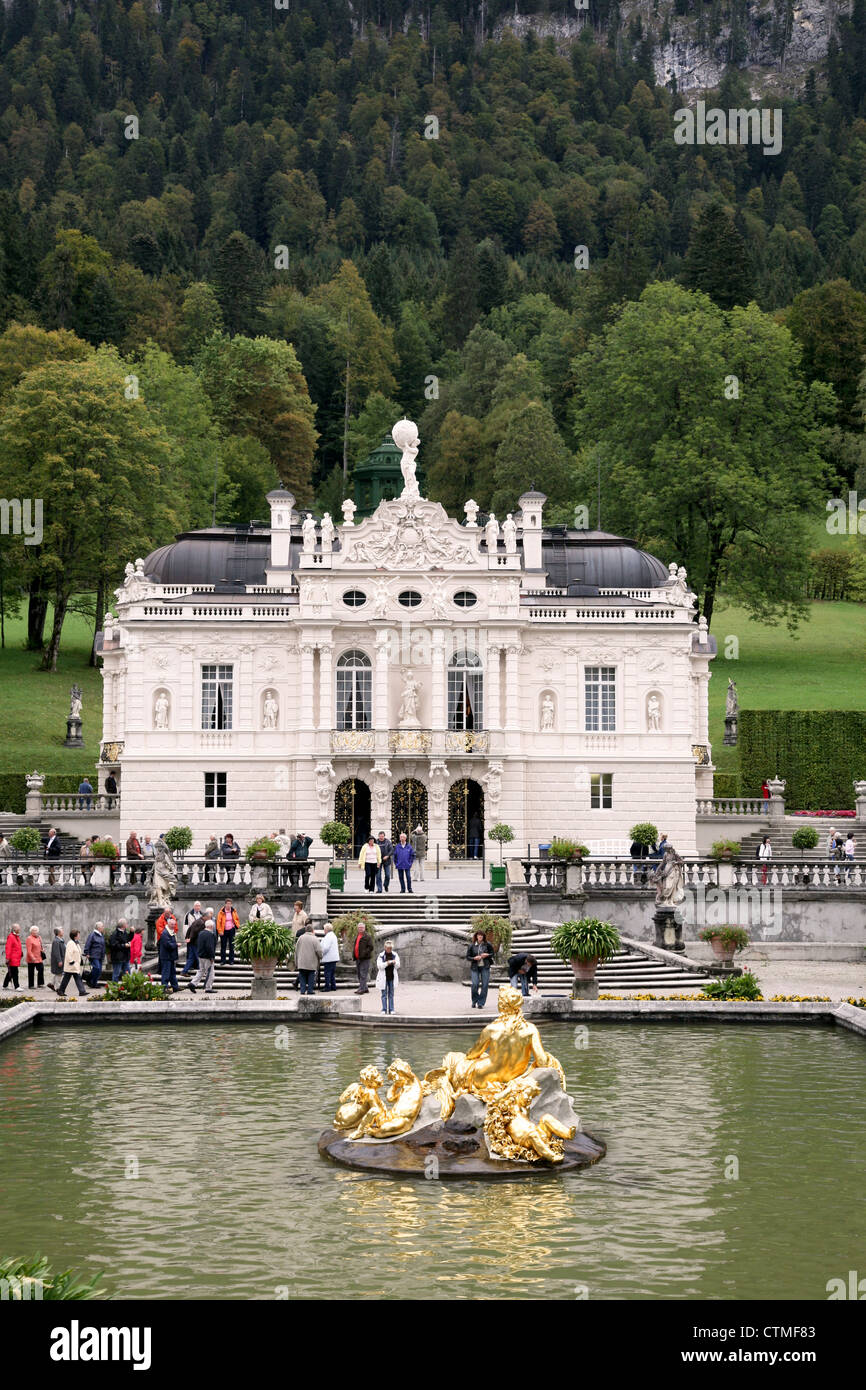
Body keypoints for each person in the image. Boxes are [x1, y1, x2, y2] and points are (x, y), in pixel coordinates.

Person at [189, 912, 216, 993]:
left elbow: (198, 943)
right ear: (211, 926)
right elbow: (209, 947)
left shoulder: (201, 933)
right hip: (207, 957)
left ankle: (193, 983)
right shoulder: (210, 934)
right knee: (210, 972)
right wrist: (211, 957)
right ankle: (208, 988)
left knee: (201, 971)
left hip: (200, 955)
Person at [466, 931, 494, 1009]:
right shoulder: (471, 945)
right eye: (479, 935)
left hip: (485, 967)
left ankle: (481, 1003)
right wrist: (474, 958)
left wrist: (487, 955)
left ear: (483, 936)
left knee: (485, 985)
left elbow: (492, 953)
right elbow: (467, 957)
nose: (480, 936)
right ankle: (474, 1001)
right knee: (475, 984)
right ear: (476, 936)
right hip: (475, 967)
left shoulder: (487, 944)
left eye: (481, 935)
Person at [57, 929, 88, 997]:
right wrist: (71, 962)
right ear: (75, 936)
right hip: (71, 965)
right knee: (70, 978)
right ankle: (81, 991)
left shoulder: (76, 942)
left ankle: (81, 991)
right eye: (78, 934)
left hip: (75, 965)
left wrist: (83, 955)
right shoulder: (71, 943)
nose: (79, 935)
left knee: (73, 978)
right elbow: (68, 954)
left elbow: (77, 952)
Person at [295, 923, 322, 995]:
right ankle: (310, 990)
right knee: (311, 975)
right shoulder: (315, 938)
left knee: (302, 976)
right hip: (311, 962)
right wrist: (320, 956)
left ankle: (302, 990)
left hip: (301, 962)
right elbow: (319, 951)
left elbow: (296, 950)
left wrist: (296, 962)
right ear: (312, 930)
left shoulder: (300, 938)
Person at [376, 939, 400, 1015]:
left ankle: (391, 1009)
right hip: (383, 977)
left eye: (390, 948)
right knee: (384, 994)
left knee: (391, 994)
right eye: (388, 948)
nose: (389, 949)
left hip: (392, 977)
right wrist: (387, 963)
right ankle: (384, 1009)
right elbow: (379, 966)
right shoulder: (381, 955)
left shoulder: (395, 955)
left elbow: (398, 966)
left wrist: (395, 962)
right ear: (385, 948)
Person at [158, 918, 180, 994]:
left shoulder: (171, 932)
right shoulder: (165, 933)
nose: (173, 926)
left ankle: (175, 987)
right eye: (172, 924)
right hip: (166, 956)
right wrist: (176, 945)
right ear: (168, 924)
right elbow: (167, 945)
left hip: (170, 956)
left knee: (172, 973)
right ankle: (164, 988)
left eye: (174, 924)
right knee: (166, 973)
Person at [182, 902, 204, 976]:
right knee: (195, 955)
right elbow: (186, 926)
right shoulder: (189, 914)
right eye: (196, 906)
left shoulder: (202, 915)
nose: (198, 907)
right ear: (194, 906)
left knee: (192, 955)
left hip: (198, 938)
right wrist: (187, 937)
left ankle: (185, 971)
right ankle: (199, 969)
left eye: (199, 906)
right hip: (191, 938)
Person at [83, 921, 107, 988]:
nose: (103, 927)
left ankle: (94, 983)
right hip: (94, 955)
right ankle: (90, 980)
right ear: (99, 927)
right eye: (102, 926)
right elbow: (88, 944)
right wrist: (86, 953)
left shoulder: (101, 935)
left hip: (100, 955)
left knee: (99, 970)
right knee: (97, 968)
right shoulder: (92, 935)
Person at [353, 920, 374, 994]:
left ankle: (361, 989)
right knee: (359, 974)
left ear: (364, 928)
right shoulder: (357, 935)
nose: (360, 929)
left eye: (362, 927)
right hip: (358, 958)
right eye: (359, 927)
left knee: (363, 974)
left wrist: (364, 953)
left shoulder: (367, 936)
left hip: (365, 959)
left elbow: (371, 947)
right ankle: (365, 988)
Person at [217, 898, 240, 965]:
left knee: (231, 946)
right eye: (227, 904)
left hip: (231, 930)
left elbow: (237, 919)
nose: (228, 905)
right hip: (223, 930)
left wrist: (237, 926)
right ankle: (223, 961)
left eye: (230, 904)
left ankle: (231, 961)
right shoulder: (221, 912)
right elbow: (218, 922)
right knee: (223, 946)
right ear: (225, 904)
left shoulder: (233, 911)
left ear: (231, 904)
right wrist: (220, 931)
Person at [321, 921, 339, 992]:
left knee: (327, 973)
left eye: (324, 929)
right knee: (332, 973)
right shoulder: (333, 935)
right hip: (333, 958)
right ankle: (333, 986)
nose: (324, 931)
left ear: (326, 930)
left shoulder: (328, 936)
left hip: (329, 958)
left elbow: (326, 947)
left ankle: (327, 987)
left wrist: (322, 954)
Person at [3, 923, 23, 990]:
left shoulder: (17, 936)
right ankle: (17, 986)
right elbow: (8, 948)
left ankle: (5, 985)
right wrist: (7, 958)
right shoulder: (11, 936)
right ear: (14, 929)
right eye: (18, 928)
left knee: (10, 972)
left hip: (16, 958)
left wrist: (21, 953)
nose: (19, 929)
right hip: (12, 958)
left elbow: (17, 947)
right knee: (15, 972)